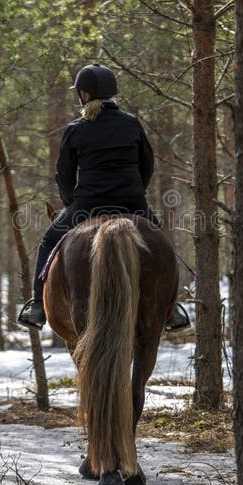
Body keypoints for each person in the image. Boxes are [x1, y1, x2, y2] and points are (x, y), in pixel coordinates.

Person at [19, 62, 190, 332]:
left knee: (47, 241)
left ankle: (37, 307)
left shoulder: (76, 128)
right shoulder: (131, 124)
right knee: (161, 242)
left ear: (84, 95)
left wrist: (69, 203)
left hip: (86, 206)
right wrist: (136, 194)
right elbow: (147, 165)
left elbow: (64, 175)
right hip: (132, 203)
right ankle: (171, 310)